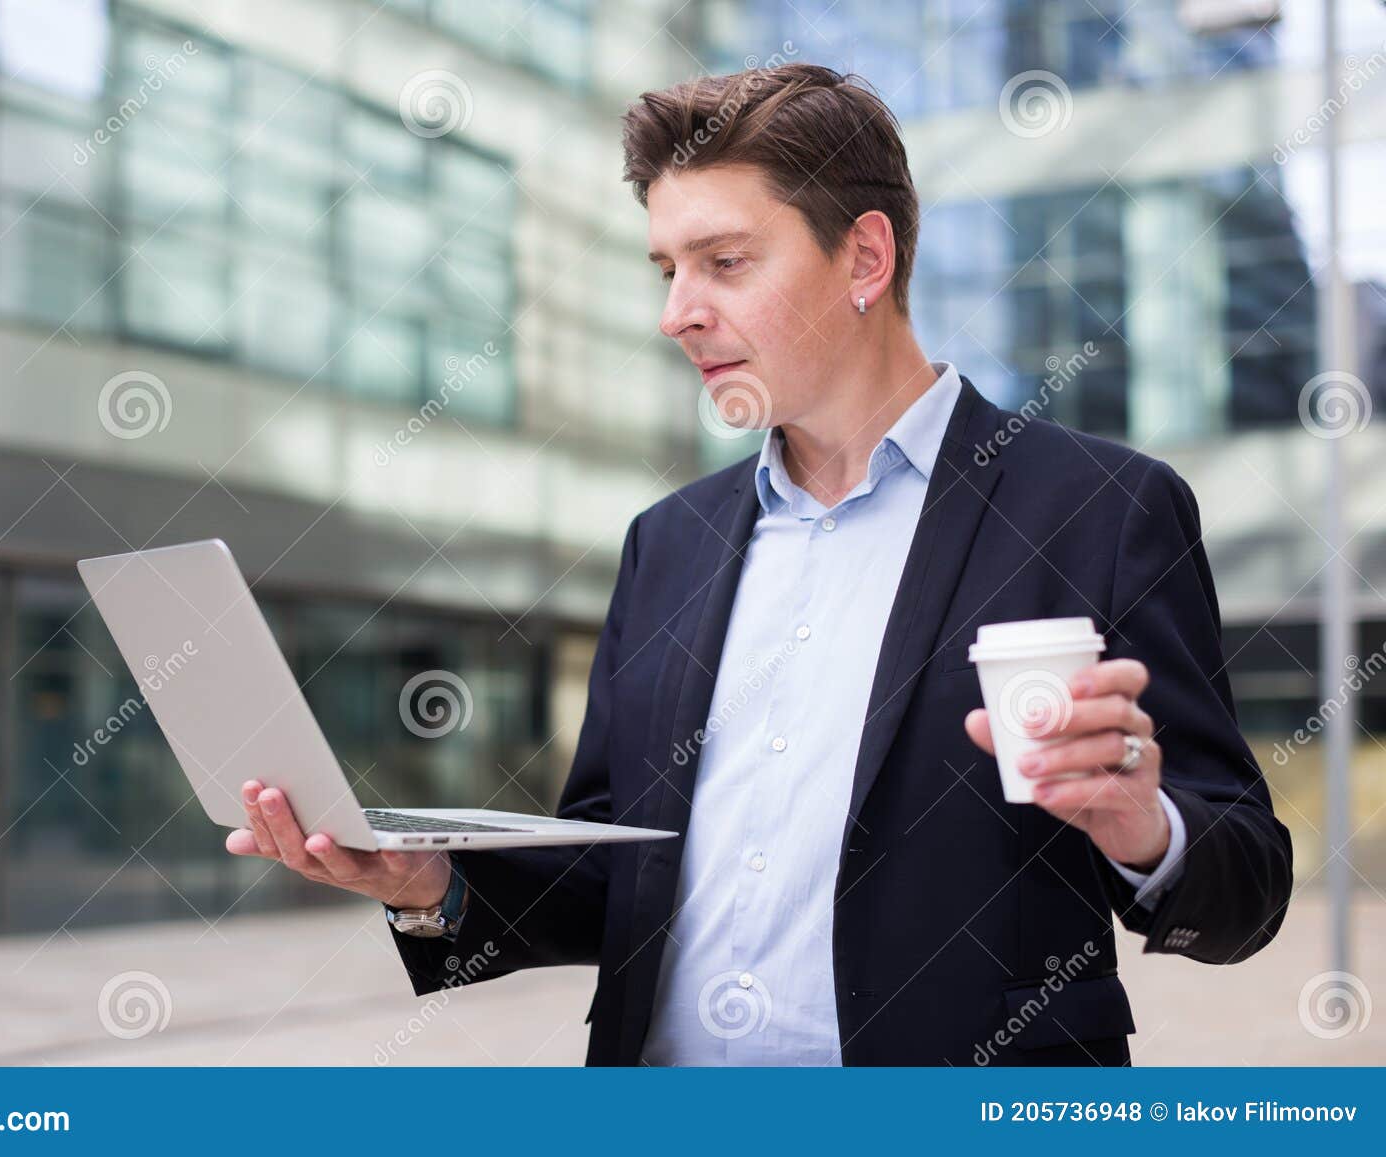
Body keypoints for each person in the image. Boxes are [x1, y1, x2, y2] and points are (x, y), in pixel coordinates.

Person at [227, 63, 1292, 1066]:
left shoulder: (1098, 510)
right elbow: (613, 869)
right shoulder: (669, 542)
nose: (675, 311)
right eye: (666, 268)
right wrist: (432, 884)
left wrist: (1140, 825)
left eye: (724, 262)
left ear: (865, 258)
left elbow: (1247, 887)